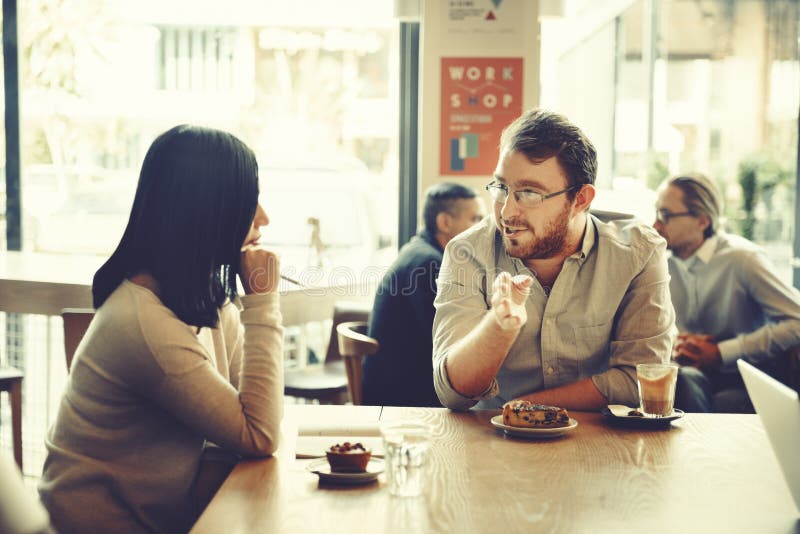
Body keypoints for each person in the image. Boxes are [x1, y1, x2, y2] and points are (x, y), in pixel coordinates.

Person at [38, 125, 284, 533]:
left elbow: (257, 410)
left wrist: (250, 303)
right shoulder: (143, 324)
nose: (264, 217)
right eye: (248, 199)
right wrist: (262, 301)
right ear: (207, 210)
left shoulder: (205, 298)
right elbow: (259, 433)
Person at [432, 108, 675, 411]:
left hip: (600, 446)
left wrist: (525, 409)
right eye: (502, 188)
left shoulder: (638, 252)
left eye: (529, 193)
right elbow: (452, 393)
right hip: (496, 446)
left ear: (581, 199)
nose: (506, 212)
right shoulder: (467, 251)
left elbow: (641, 379)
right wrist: (499, 326)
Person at [653, 173, 800, 412]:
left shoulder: (743, 260)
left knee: (698, 392)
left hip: (747, 376)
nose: (655, 225)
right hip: (694, 374)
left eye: (665, 215)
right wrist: (680, 344)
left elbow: (797, 320)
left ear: (702, 220)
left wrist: (722, 352)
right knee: (678, 381)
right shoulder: (662, 263)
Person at [362, 183, 483, 406]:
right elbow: (446, 337)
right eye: (475, 219)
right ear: (445, 222)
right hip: (402, 396)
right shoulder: (429, 263)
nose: (481, 227)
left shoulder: (417, 250)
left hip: (396, 383)